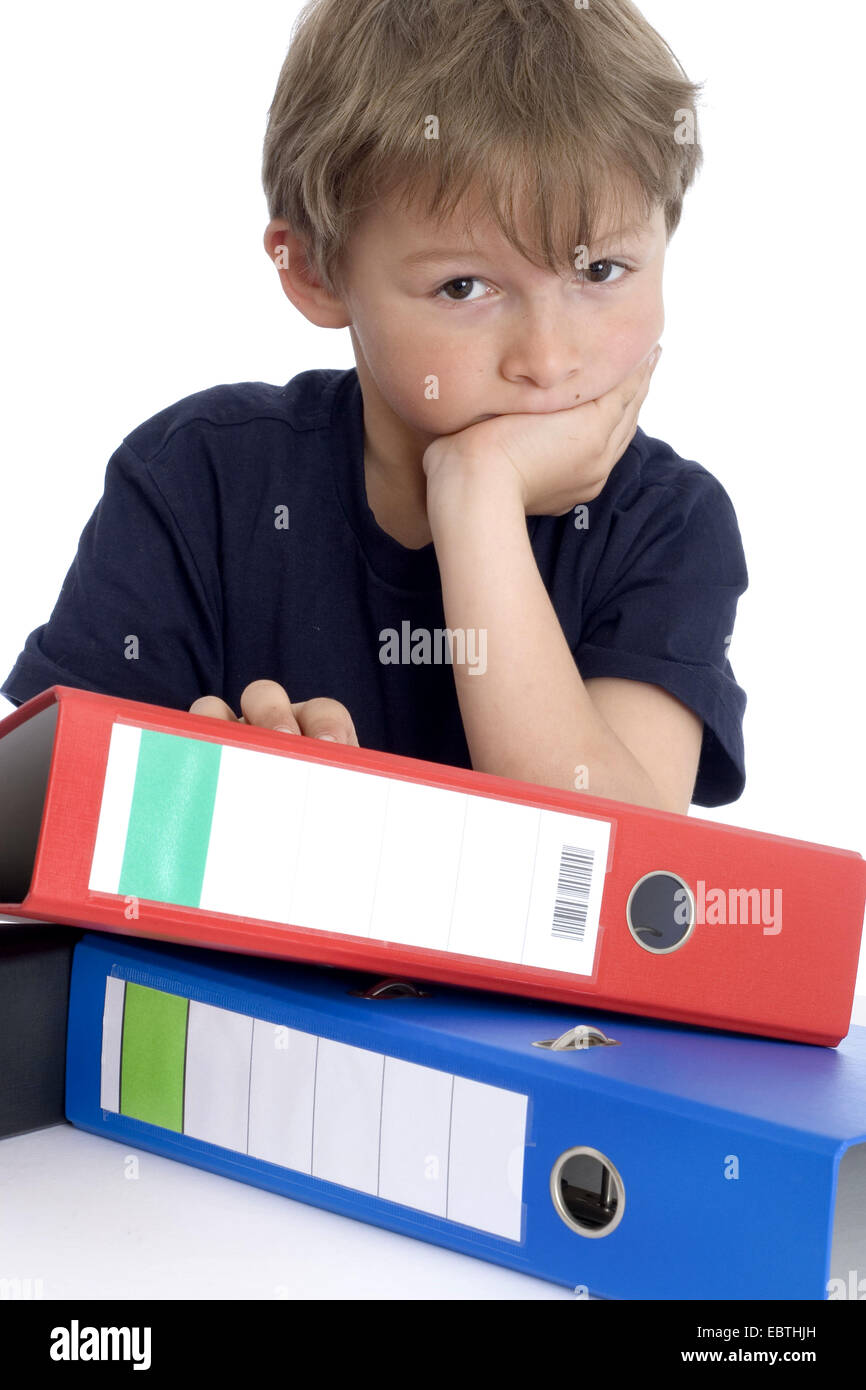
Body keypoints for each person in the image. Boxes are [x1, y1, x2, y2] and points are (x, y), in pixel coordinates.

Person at [0, 0, 748, 813]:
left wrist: (478, 494)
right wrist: (207, 801)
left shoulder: (668, 523)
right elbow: (46, 830)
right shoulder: (198, 480)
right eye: (464, 286)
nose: (549, 359)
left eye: (601, 271)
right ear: (316, 273)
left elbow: (615, 870)